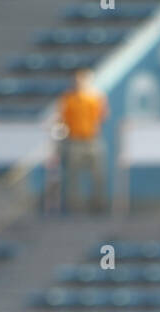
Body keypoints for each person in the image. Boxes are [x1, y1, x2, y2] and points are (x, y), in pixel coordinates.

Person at [57, 68, 109, 213]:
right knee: (73, 176)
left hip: (92, 139)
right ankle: (74, 207)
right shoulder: (68, 98)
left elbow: (102, 116)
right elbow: (62, 118)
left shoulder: (95, 97)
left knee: (98, 175)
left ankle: (98, 206)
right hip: (74, 140)